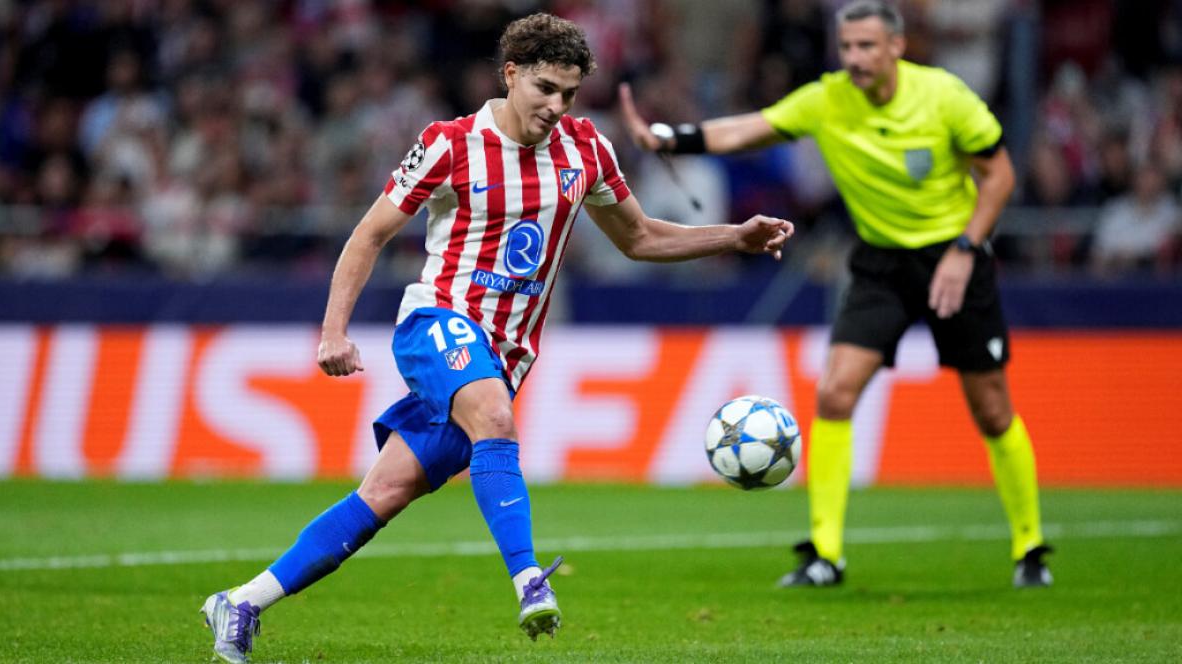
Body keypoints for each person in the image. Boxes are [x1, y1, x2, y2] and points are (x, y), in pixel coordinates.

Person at [200, 13, 794, 664]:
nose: (556, 106)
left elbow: (640, 237)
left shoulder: (587, 148)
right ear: (510, 74)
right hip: (437, 322)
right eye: (544, 88)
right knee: (494, 418)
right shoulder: (450, 144)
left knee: (385, 494)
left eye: (569, 93)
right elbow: (369, 233)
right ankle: (527, 577)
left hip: (506, 354)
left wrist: (735, 235)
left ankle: (243, 601)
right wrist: (332, 331)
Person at [620, 0, 1052, 589]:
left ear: (896, 47)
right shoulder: (827, 99)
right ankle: (825, 553)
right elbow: (750, 127)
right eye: (847, 47)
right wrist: (671, 137)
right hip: (881, 265)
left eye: (867, 46)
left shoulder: (945, 97)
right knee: (835, 392)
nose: (854, 58)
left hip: (955, 258)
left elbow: (999, 175)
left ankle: (1030, 547)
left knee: (992, 409)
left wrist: (966, 249)